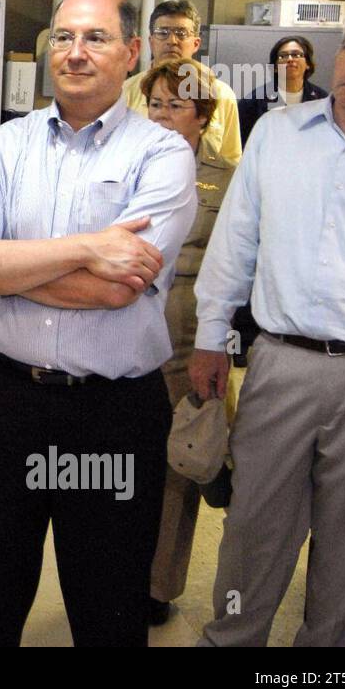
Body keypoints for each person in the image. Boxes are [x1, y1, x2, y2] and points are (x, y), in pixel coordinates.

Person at [0, 0, 196, 646]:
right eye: (65, 36)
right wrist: (88, 248)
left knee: (108, 605)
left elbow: (120, 289)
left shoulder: (162, 155)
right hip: (2, 403)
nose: (75, 53)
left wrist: (12, 268)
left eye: (97, 38)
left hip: (111, 413)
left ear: (132, 52)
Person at [189, 0, 345, 647]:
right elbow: (235, 242)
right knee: (251, 533)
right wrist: (212, 334)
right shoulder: (278, 134)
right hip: (283, 365)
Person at [137, 57, 236, 626]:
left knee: (179, 461)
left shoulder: (226, 178)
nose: (164, 114)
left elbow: (237, 265)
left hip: (187, 335)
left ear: (203, 115)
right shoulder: (121, 165)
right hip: (120, 329)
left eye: (177, 105)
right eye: (156, 103)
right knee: (118, 460)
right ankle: (114, 568)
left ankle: (158, 585)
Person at [123, 0, 242, 164]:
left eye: (181, 33)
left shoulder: (221, 94)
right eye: (162, 32)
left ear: (196, 43)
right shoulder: (125, 92)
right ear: (151, 42)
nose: (172, 41)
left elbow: (230, 162)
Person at [237, 35, 329, 145]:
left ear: (308, 64)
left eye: (296, 55)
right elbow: (241, 145)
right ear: (275, 67)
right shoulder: (253, 101)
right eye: (283, 56)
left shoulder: (322, 100)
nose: (290, 59)